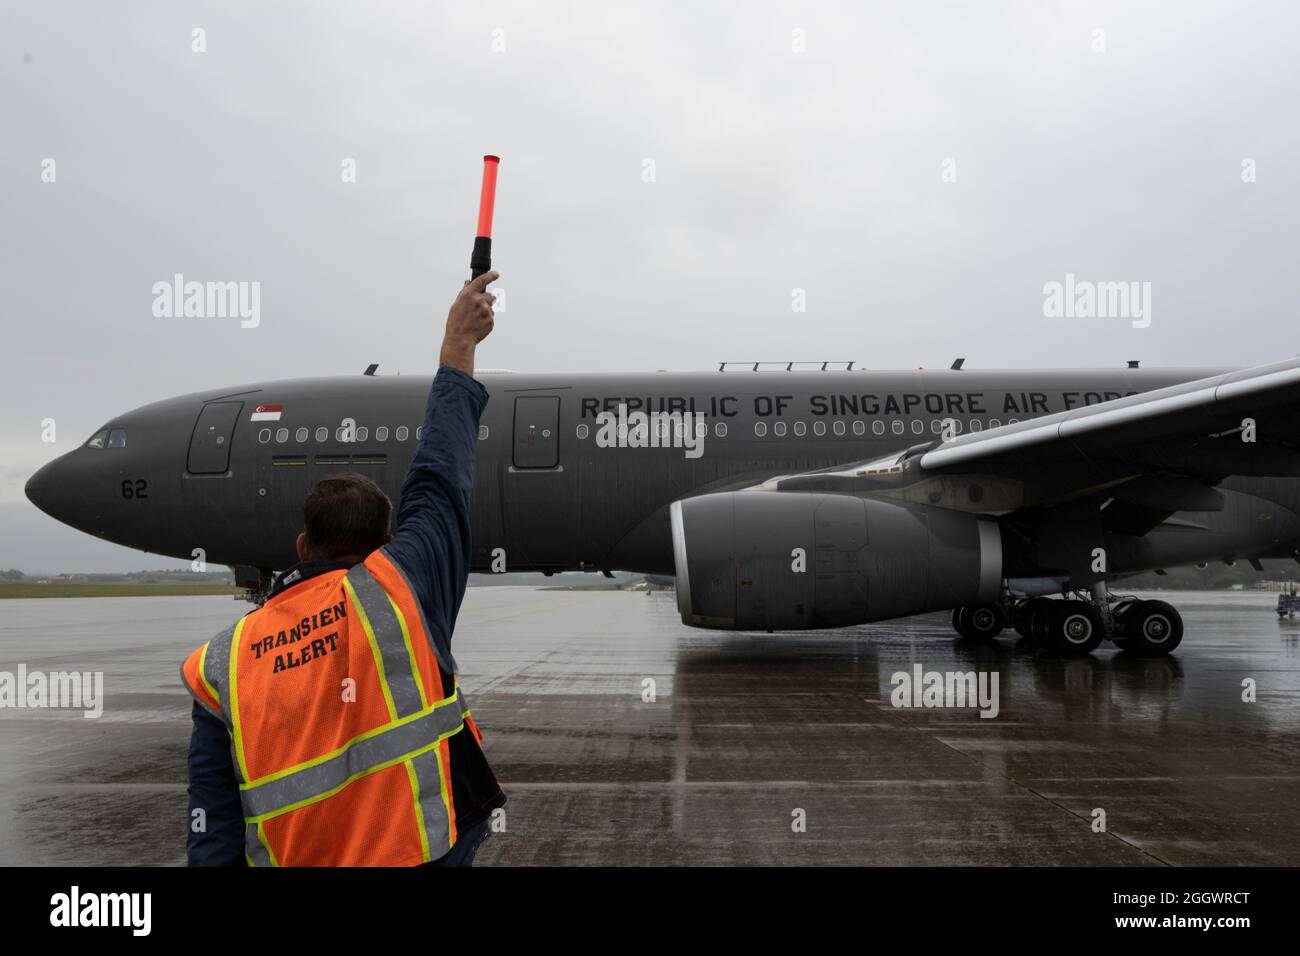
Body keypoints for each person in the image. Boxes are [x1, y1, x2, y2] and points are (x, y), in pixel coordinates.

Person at [181, 271, 505, 866]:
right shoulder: (402, 590)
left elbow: (212, 828)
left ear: (303, 546)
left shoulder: (219, 666)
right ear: (386, 542)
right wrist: (458, 347)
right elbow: (441, 477)